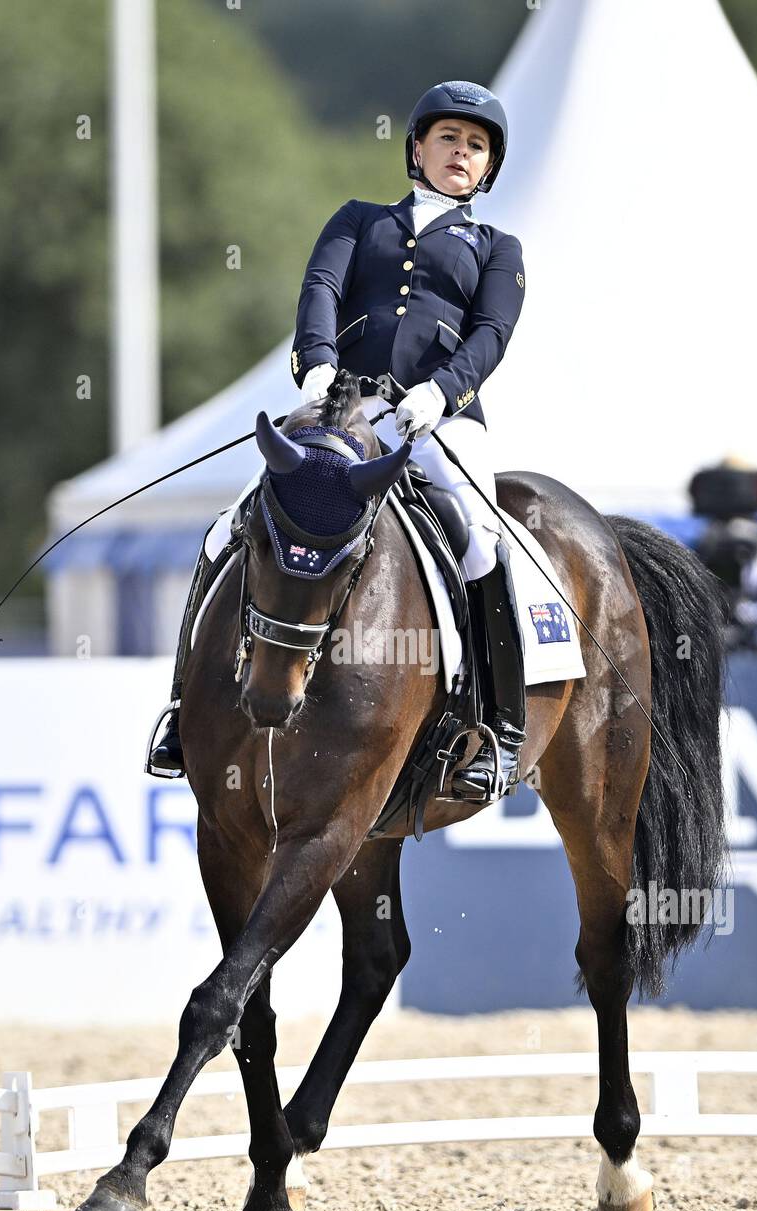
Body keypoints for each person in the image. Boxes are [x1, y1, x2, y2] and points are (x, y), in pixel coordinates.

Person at [148, 80, 527, 798]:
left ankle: (500, 731)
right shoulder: (359, 220)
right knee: (228, 527)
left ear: (487, 169)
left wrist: (439, 393)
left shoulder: (498, 248)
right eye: (449, 138)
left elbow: (491, 334)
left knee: (481, 538)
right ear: (418, 148)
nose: (461, 152)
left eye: (476, 147)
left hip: (435, 419)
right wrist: (318, 363)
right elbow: (320, 286)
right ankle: (181, 710)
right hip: (341, 411)